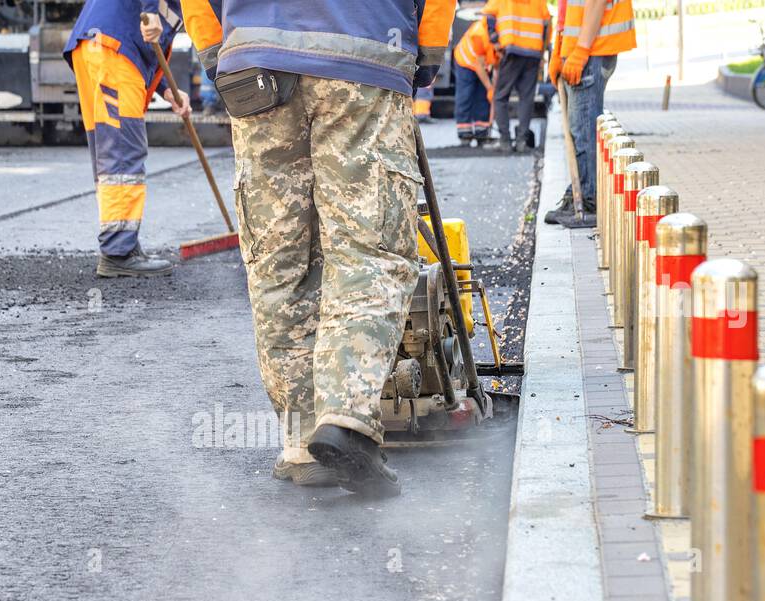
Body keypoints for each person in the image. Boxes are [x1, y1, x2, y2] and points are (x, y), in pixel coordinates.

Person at [181, 0, 458, 496]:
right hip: (364, 53)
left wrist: (215, 51)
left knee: (279, 260)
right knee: (367, 249)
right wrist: (429, 53)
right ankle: (346, 417)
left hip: (255, 61)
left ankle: (301, 441)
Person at [63, 1, 192, 278]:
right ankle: (118, 251)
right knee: (122, 151)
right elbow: (147, 23)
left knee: (111, 151)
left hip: (101, 47)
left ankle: (122, 243)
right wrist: (149, 12)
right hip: (112, 49)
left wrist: (168, 90)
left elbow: (148, 45)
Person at [547, 0, 635, 226]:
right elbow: (568, 10)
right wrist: (558, 51)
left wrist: (581, 51)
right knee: (579, 127)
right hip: (581, 50)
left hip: (591, 50)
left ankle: (588, 199)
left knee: (584, 128)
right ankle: (580, 192)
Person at [493, 0, 550, 152]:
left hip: (512, 51)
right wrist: (542, 52)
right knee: (526, 97)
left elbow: (488, 15)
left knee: (501, 96)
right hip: (533, 53)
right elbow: (547, 24)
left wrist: (495, 40)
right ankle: (521, 142)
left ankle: (505, 140)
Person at [453, 17, 497, 147]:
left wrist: (493, 87)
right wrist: (490, 87)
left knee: (482, 96)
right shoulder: (478, 34)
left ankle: (482, 131)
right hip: (465, 61)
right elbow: (478, 65)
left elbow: (497, 64)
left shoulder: (499, 34)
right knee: (465, 95)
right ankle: (464, 133)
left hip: (482, 64)